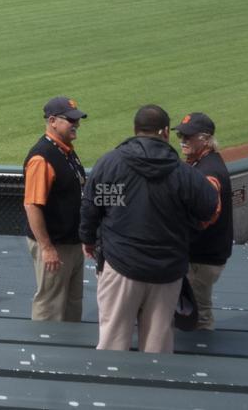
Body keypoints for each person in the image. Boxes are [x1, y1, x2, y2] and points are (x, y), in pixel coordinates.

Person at [79, 104, 219, 354]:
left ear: (135, 130)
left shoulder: (112, 164)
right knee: (157, 351)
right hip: (167, 271)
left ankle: (110, 393)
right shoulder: (183, 173)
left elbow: (94, 208)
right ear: (165, 132)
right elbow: (209, 209)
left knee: (112, 345)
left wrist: (89, 240)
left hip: (121, 265)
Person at [22, 97, 88, 322]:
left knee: (71, 304)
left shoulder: (66, 151)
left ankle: (68, 352)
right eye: (71, 120)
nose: (76, 124)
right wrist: (47, 247)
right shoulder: (42, 157)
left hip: (71, 243)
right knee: (50, 307)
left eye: (76, 119)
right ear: (52, 121)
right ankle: (43, 353)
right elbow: (32, 205)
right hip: (55, 246)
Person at [176, 112, 232, 331]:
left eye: (189, 136)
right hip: (205, 255)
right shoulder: (204, 162)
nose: (182, 139)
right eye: (181, 134)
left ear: (206, 139)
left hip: (202, 257)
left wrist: (176, 231)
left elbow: (208, 214)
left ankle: (202, 356)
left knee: (198, 313)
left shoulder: (208, 171)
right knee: (196, 308)